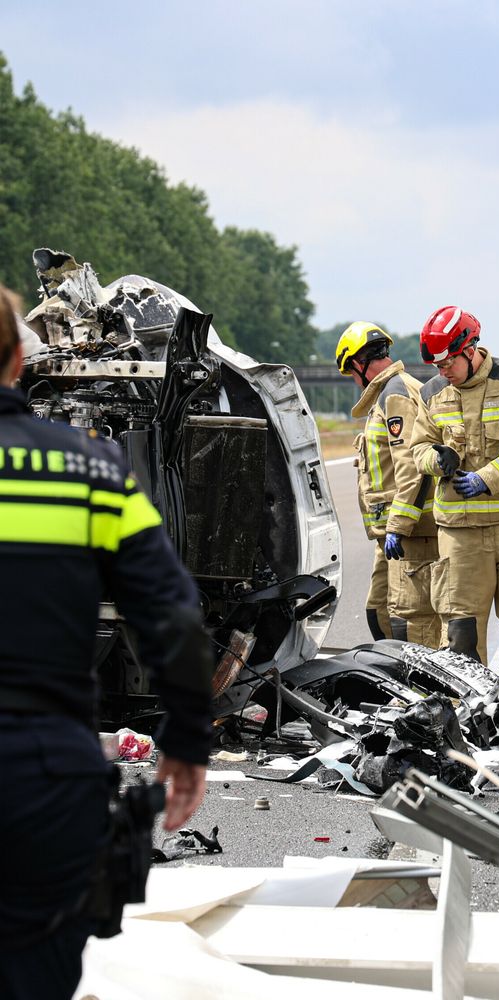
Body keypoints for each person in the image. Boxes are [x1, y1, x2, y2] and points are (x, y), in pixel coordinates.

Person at [0, 283, 213, 1000]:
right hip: (45, 776)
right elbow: (173, 616)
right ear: (17, 362)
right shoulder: (92, 469)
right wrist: (185, 744)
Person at [410, 305, 499, 713]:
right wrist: (435, 459)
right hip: (460, 532)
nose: (444, 370)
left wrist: (488, 478)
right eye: (437, 364)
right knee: (460, 631)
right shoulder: (430, 393)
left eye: (449, 361)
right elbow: (416, 449)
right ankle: (468, 718)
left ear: (471, 348)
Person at [336, 321, 441, 647]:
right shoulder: (388, 393)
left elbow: (413, 465)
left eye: (351, 373)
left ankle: (423, 694)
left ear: (359, 363)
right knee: (379, 611)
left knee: (410, 622)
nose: (354, 382)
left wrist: (398, 525)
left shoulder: (396, 394)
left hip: (410, 532)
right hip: (393, 535)